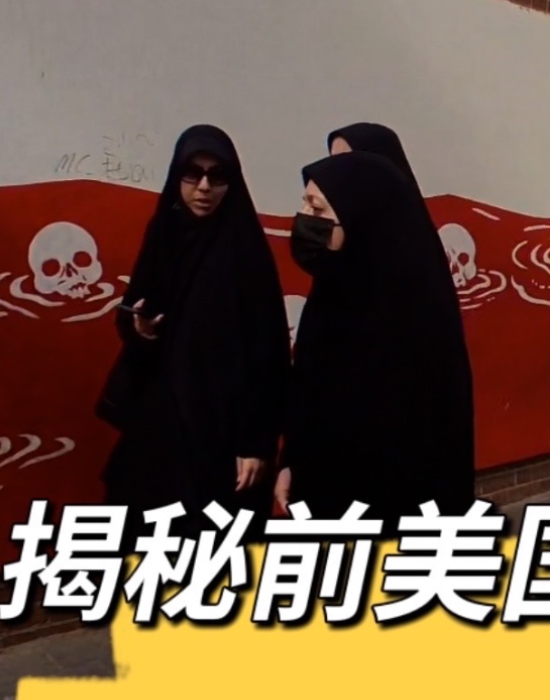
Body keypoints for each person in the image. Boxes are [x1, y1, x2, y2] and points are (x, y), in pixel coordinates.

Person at [99, 126, 290, 529]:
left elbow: (268, 354)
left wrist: (256, 443)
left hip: (225, 434)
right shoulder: (164, 234)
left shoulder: (246, 251)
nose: (204, 187)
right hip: (161, 425)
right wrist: (140, 329)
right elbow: (133, 311)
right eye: (193, 173)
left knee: (217, 545)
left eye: (217, 176)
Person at [276, 151, 476, 526]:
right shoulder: (330, 292)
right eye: (304, 203)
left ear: (360, 217)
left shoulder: (417, 317)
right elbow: (307, 393)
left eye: (316, 209)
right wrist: (292, 461)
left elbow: (435, 444)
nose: (303, 218)